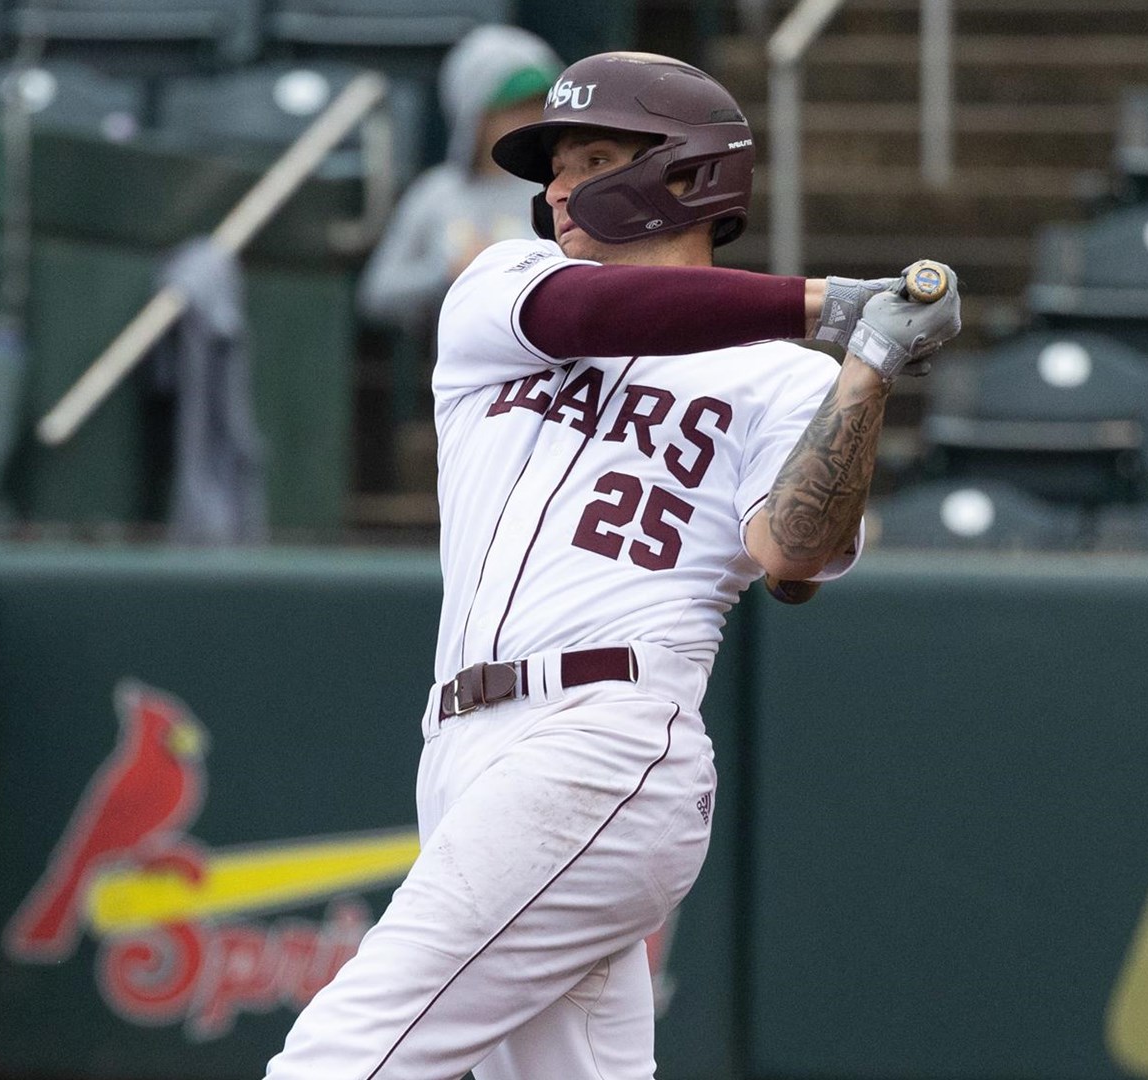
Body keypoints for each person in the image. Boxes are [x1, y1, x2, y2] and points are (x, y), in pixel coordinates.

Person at [262, 50, 960, 1080]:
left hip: (605, 736)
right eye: (552, 165)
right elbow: (587, 317)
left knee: (346, 1054)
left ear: (687, 177)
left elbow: (794, 555)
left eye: (590, 157)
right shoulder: (508, 284)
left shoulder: (779, 378)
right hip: (461, 746)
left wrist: (867, 370)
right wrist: (819, 302)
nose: (554, 188)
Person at [355, 26, 563, 332]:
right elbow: (377, 294)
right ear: (474, 112)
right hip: (459, 372)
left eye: (538, 103)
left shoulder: (562, 188)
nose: (529, 118)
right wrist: (449, 273)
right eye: (512, 107)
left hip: (555, 369)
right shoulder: (436, 193)